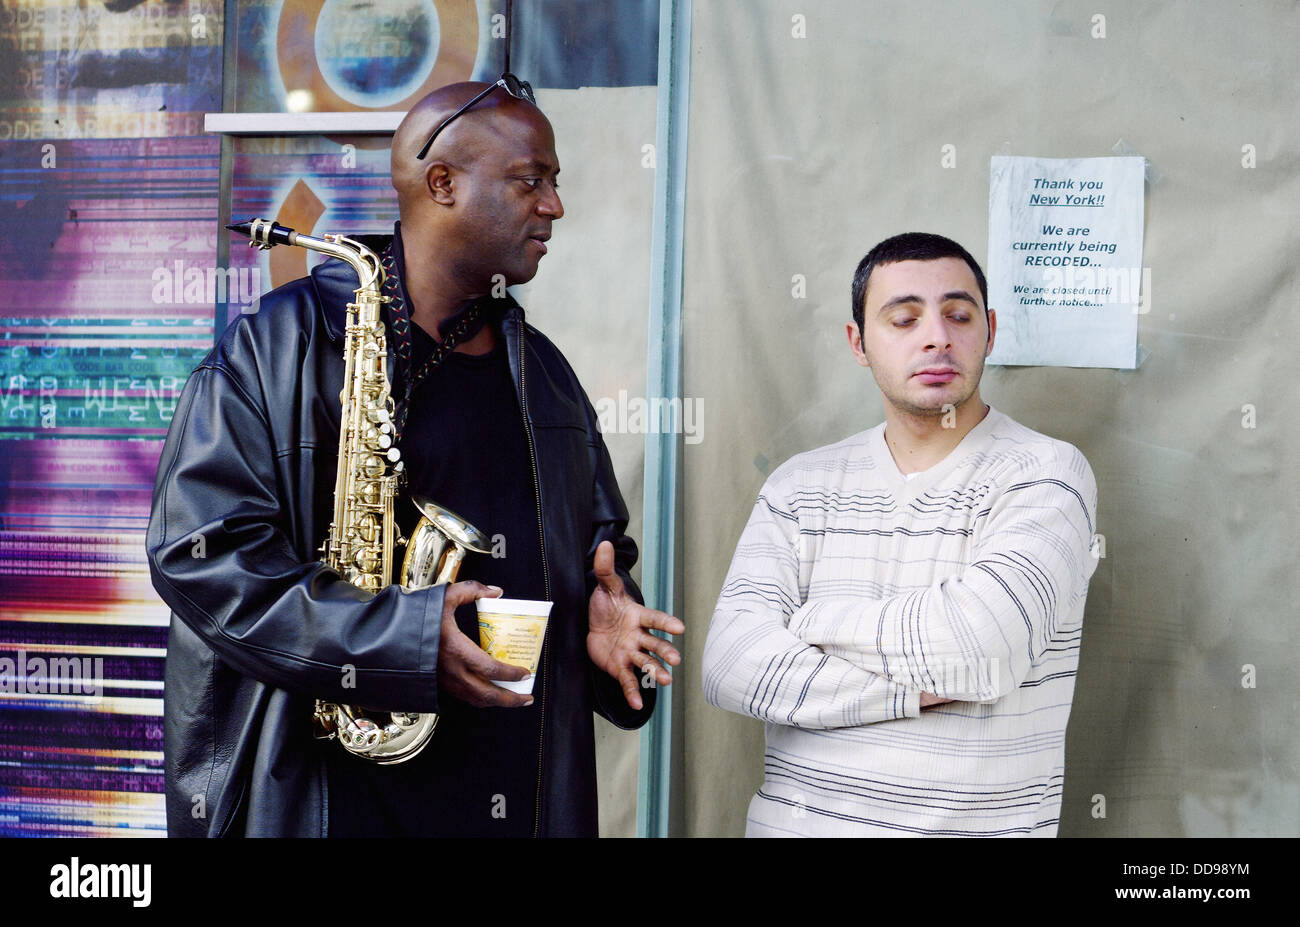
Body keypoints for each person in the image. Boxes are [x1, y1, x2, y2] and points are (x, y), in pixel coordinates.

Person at [147, 78, 683, 837]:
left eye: (555, 183)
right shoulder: (276, 349)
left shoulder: (550, 379)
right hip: (324, 800)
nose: (554, 206)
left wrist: (599, 636)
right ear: (443, 183)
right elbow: (199, 554)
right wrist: (398, 638)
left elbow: (598, 554)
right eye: (531, 180)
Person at [702, 232, 1098, 837]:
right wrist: (912, 691)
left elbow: (979, 648)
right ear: (858, 343)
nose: (937, 336)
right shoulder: (799, 485)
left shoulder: (1046, 474)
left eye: (958, 315)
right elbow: (730, 663)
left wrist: (808, 624)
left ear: (989, 329)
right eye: (904, 319)